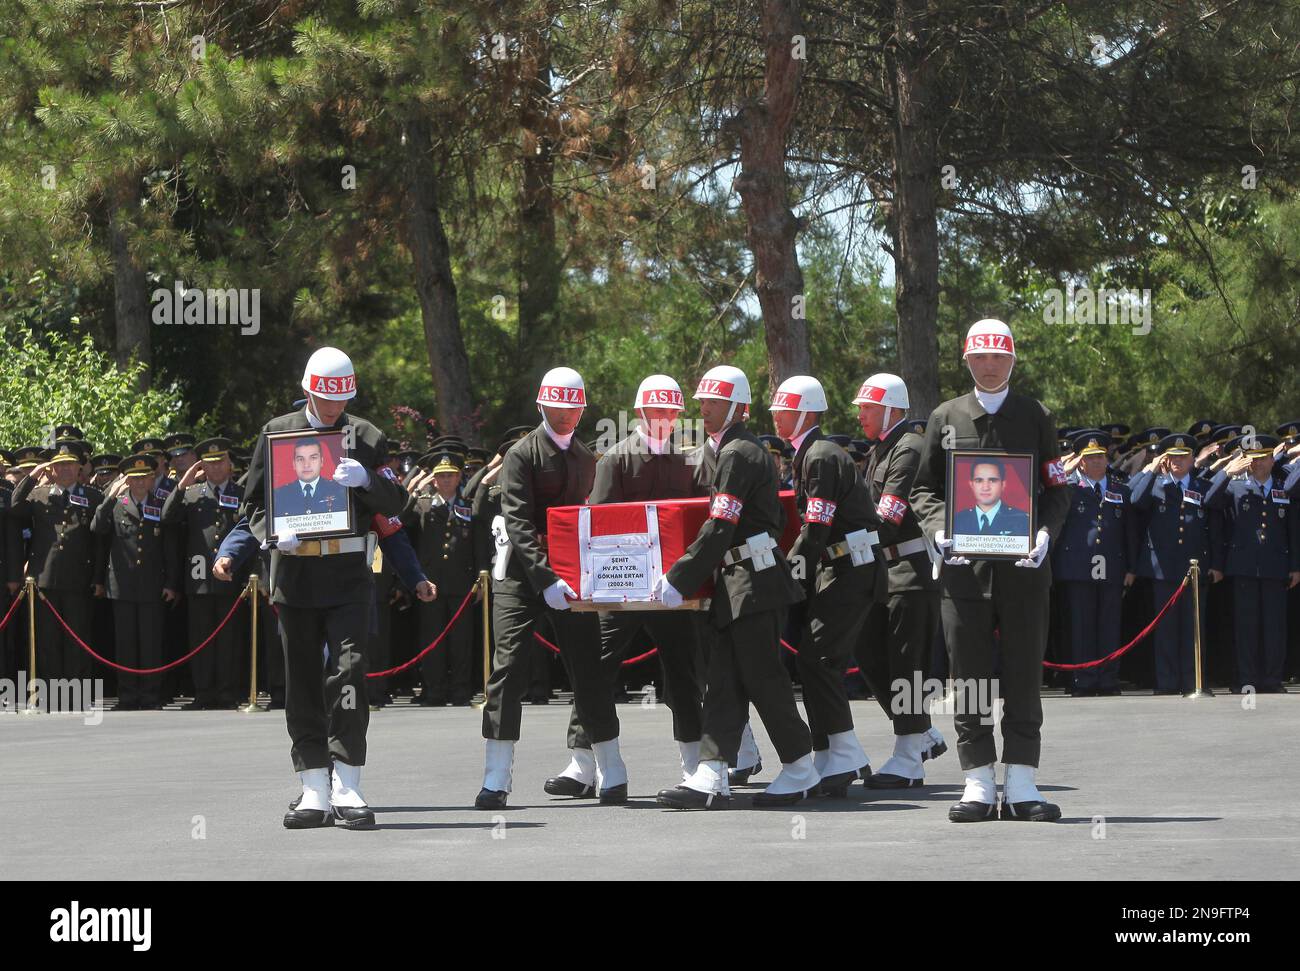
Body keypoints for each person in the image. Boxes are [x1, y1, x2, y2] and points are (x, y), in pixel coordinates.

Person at [227, 346, 408, 829]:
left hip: (349, 574)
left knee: (349, 675)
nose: (334, 410)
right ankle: (313, 786)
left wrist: (367, 478)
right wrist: (271, 534)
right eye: (326, 401)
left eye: (341, 401)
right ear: (308, 390)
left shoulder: (367, 436)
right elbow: (252, 506)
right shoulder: (276, 434)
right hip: (295, 574)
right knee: (303, 679)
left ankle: (348, 783)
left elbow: (396, 504)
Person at [911, 318, 1069, 822]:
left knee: (1023, 673)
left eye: (998, 357)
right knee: (970, 677)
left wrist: (1045, 533)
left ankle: (1022, 781)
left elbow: (1057, 487)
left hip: (1024, 571)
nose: (989, 365)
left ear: (1012, 361)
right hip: (963, 572)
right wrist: (937, 530)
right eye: (979, 357)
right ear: (967, 361)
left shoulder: (1036, 415)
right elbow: (923, 489)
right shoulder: (946, 416)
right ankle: (977, 781)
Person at [654, 365, 815, 810]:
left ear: (737, 407)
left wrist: (678, 577)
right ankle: (711, 772)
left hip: (752, 582)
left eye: (715, 402)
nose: (704, 409)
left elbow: (721, 523)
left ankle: (800, 766)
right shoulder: (736, 449)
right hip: (742, 579)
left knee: (762, 679)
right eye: (703, 401)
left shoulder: (737, 453)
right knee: (726, 679)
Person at [545, 374, 709, 798]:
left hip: (668, 591)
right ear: (639, 413)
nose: (665, 419)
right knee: (593, 669)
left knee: (685, 673)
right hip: (619, 590)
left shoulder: (686, 462)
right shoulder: (615, 459)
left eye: (672, 412)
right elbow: (596, 525)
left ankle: (693, 765)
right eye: (657, 411)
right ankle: (585, 763)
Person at [476, 368, 613, 810]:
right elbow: (517, 522)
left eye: (575, 407)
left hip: (571, 576)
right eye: (560, 406)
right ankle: (497, 775)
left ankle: (599, 764)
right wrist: (546, 577)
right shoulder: (520, 454)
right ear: (543, 405)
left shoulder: (586, 457)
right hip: (521, 576)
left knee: (588, 666)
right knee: (509, 668)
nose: (568, 414)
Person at [769, 374, 879, 797]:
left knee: (818, 660)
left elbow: (817, 526)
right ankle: (833, 752)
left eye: (787, 409)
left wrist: (789, 571)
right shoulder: (813, 454)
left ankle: (844, 752)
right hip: (840, 566)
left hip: (851, 568)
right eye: (778, 408)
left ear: (808, 413)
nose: (778, 415)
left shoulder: (819, 456)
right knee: (817, 661)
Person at [854, 373, 948, 788]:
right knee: (870, 654)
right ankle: (921, 731)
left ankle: (909, 756)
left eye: (868, 408)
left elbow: (888, 519)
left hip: (909, 573)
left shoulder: (908, 448)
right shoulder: (881, 450)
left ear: (892, 410)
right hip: (884, 571)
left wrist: (840, 538)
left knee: (907, 667)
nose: (861, 416)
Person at [8, 440, 104, 710]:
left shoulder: (93, 496)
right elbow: (15, 506)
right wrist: (33, 475)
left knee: (77, 640)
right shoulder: (39, 495)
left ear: (79, 468)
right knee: (47, 642)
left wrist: (97, 578)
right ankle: (50, 696)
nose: (64, 470)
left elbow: (99, 543)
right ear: (52, 468)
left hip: (78, 579)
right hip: (44, 581)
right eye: (59, 465)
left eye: (70, 465)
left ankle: (77, 696)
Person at [1128, 432, 1223, 695]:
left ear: (1193, 459)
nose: (1177, 461)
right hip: (1163, 568)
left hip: (1195, 568)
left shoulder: (1202, 487)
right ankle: (1167, 682)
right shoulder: (1156, 485)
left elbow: (1212, 529)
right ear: (1165, 459)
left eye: (1183, 457)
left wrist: (1216, 563)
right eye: (1172, 457)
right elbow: (1135, 501)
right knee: (1166, 630)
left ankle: (1192, 681)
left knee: (1193, 629)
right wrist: (1150, 470)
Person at [1203, 433, 1300, 692]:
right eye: (1253, 459)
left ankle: (1271, 678)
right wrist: (1226, 472)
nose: (1257, 464)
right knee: (1245, 627)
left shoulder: (1283, 487)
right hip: (1243, 566)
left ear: (1272, 459)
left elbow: (1293, 530)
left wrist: (1295, 566)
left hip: (1275, 566)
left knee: (1274, 627)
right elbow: (1209, 500)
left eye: (1263, 459)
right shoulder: (1235, 486)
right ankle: (1246, 678)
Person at [162, 437, 246, 709]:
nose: (216, 468)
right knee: (201, 638)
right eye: (209, 463)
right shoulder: (192, 493)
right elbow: (167, 516)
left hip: (231, 576)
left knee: (229, 639)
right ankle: (204, 692)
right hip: (198, 578)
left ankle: (227, 691)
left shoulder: (240, 492)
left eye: (220, 461)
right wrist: (183, 483)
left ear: (229, 463)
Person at [1054, 430, 1139, 696]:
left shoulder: (1119, 490)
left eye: (1101, 456)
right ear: (1080, 461)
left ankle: (1108, 678)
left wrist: (1131, 568)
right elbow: (1044, 494)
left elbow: (1130, 532)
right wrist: (1061, 471)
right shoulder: (1068, 490)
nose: (1097, 462)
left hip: (1113, 566)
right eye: (1091, 458)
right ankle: (1084, 679)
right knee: (1081, 626)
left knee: (1109, 625)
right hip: (1078, 567)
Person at [91, 454, 179, 709]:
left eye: (145, 478)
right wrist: (109, 497)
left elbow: (169, 548)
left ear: (153, 479)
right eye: (135, 478)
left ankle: (151, 695)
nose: (140, 483)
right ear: (126, 479)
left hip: (152, 584)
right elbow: (97, 527)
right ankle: (128, 695)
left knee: (151, 643)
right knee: (125, 644)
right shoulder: (117, 504)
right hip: (122, 584)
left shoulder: (161, 504)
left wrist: (171, 583)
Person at [403, 448, 480, 706]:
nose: (446, 480)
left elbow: (478, 545)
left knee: (462, 641)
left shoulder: (468, 505)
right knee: (432, 639)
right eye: (441, 476)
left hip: (462, 582)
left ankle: (460, 690)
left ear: (459, 477)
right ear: (433, 479)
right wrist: (414, 489)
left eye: (450, 475)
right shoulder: (423, 504)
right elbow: (400, 521)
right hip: (430, 583)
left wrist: (482, 577)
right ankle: (434, 689)